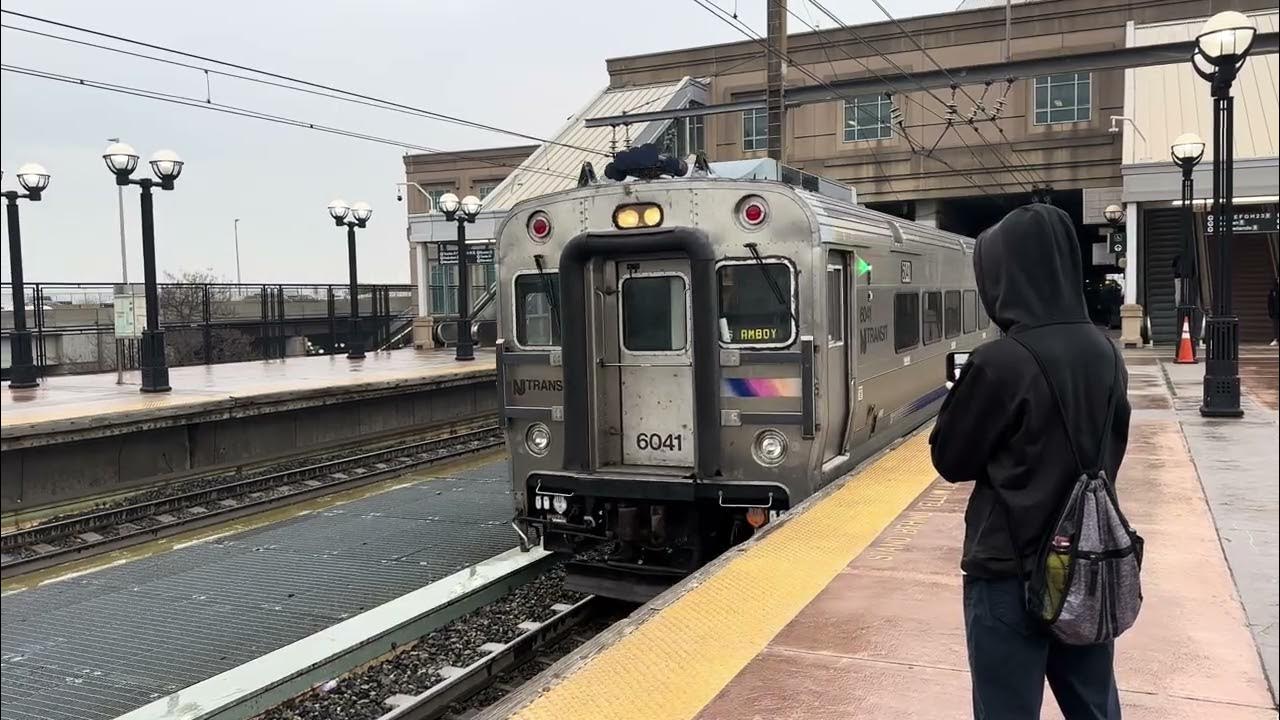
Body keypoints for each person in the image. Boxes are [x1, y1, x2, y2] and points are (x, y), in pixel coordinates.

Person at [930, 203, 1131, 719]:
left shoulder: (999, 362)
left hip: (1006, 572)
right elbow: (1112, 450)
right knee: (1095, 705)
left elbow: (950, 458)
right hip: (1085, 561)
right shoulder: (1105, 353)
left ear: (1004, 277)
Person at [1268, 278, 1278, 346]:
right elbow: (1270, 302)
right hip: (1276, 312)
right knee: (1276, 326)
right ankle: (1276, 339)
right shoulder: (1273, 290)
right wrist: (1271, 311)